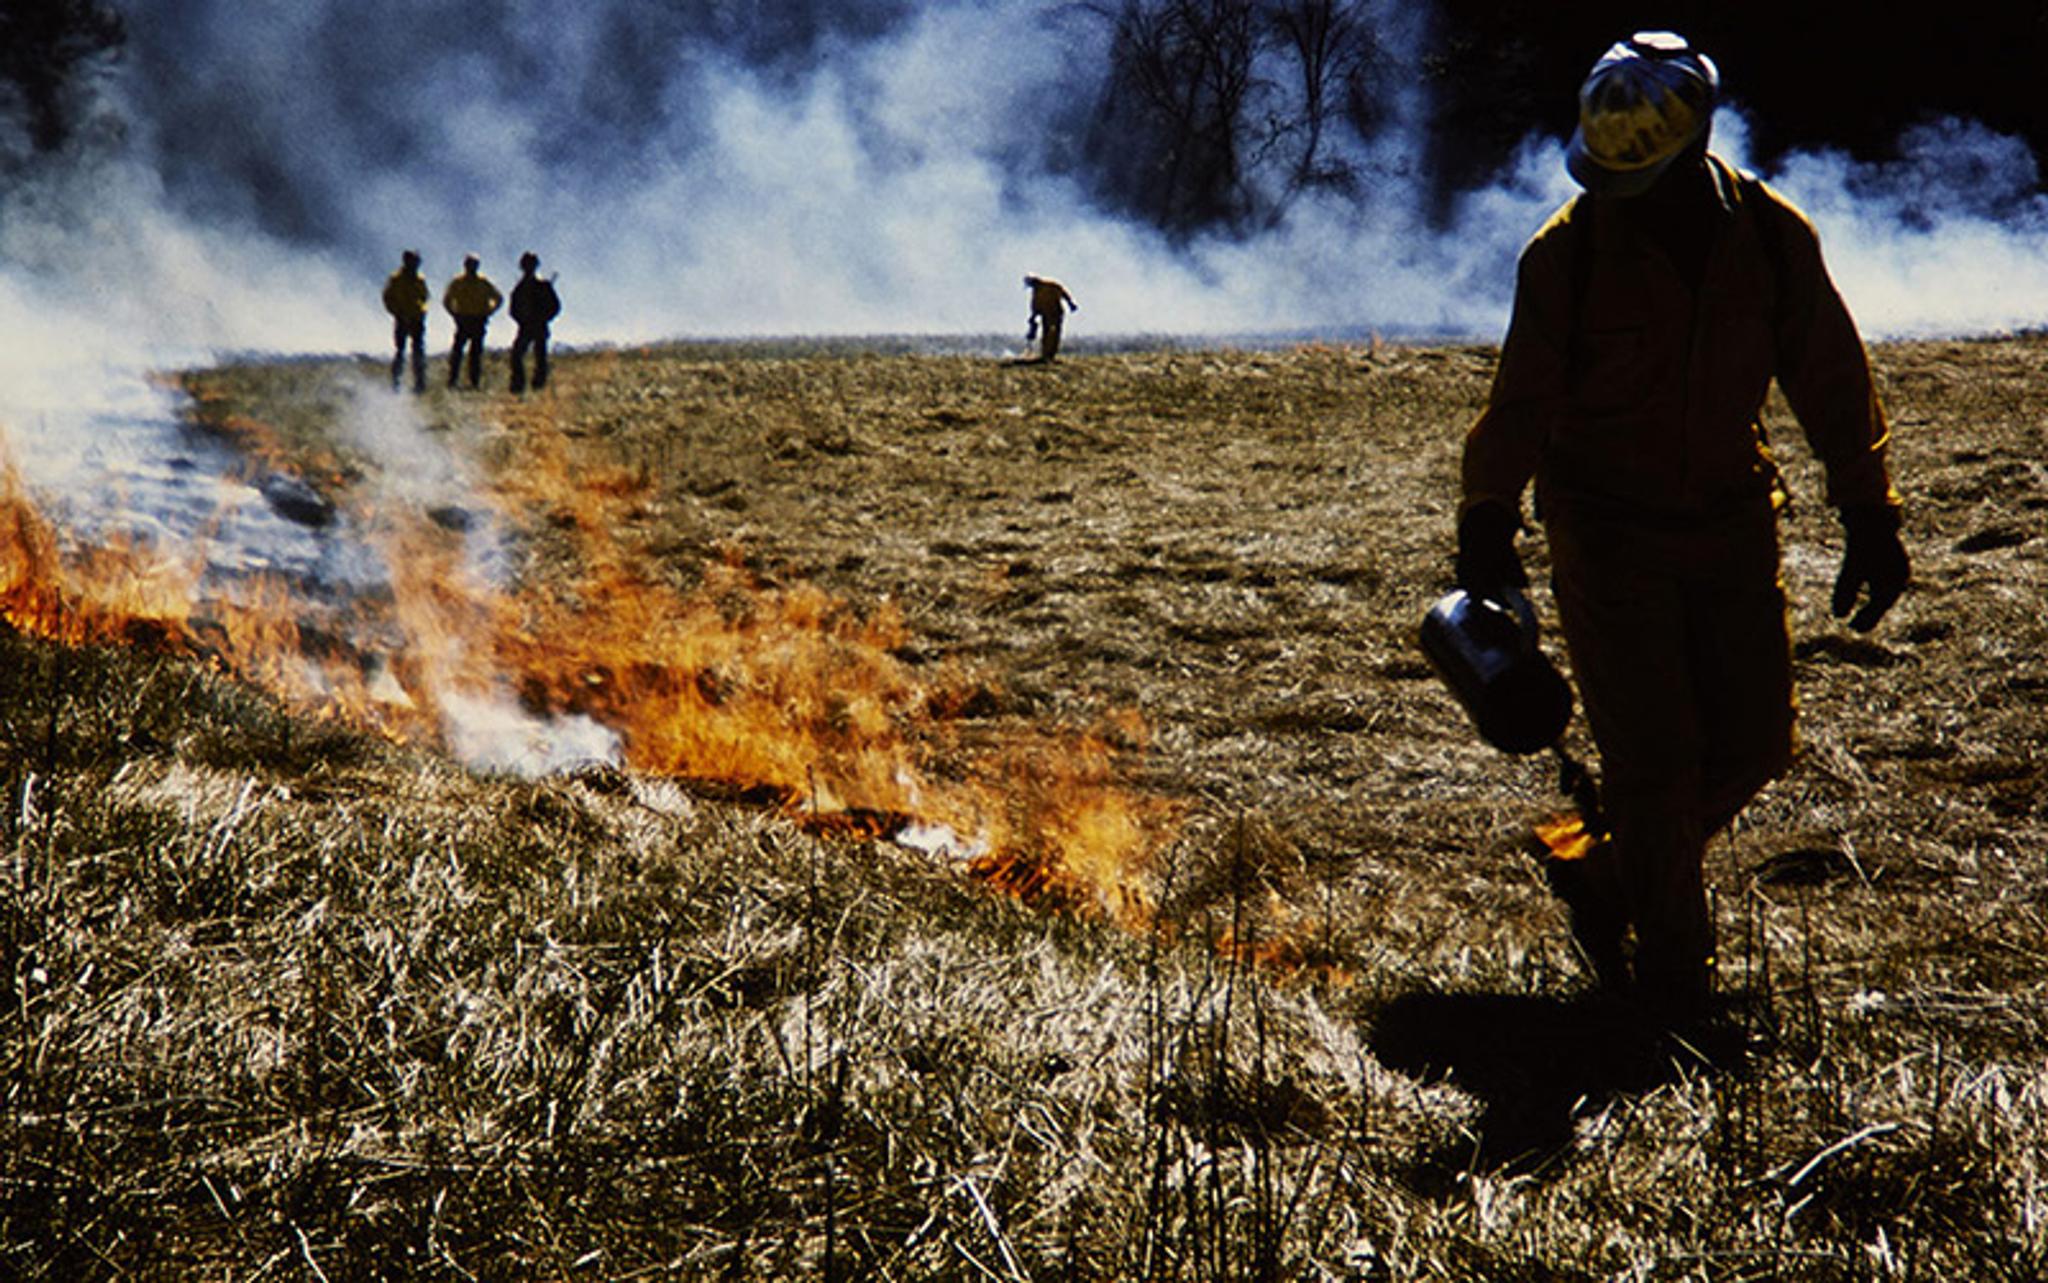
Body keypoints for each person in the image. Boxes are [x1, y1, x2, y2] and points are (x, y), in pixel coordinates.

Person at [1455, 32, 1909, 1024]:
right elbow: (1518, 401)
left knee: (1754, 741)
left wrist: (1868, 508)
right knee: (1654, 761)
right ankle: (1670, 984)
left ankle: (1603, 873)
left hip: (1730, 519)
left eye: (1646, 176)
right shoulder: (1562, 255)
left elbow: (1827, 375)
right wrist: (1485, 516)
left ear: (1697, 140)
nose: (1624, 197)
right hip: (1604, 532)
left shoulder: (1771, 236)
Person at [442, 253, 503, 390]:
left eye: (474, 265)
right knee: (457, 352)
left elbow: (498, 298)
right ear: (465, 266)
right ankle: (453, 381)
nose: (471, 267)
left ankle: (474, 382)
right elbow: (447, 300)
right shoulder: (458, 282)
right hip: (463, 320)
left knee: (475, 354)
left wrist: (489, 311)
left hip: (478, 320)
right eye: (469, 264)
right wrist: (454, 314)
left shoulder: (483, 282)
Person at [507, 251, 561, 394]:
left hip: (539, 326)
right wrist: (521, 320)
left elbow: (555, 307)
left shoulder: (543, 286)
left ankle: (538, 385)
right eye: (526, 265)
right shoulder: (519, 288)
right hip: (525, 326)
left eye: (530, 264)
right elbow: (513, 309)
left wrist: (543, 318)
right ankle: (519, 385)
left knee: (540, 357)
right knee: (517, 355)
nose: (528, 267)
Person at [382, 249, 430, 392]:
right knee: (400, 351)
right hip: (402, 318)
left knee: (418, 350)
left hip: (416, 318)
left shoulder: (420, 279)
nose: (416, 264)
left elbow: (425, 297)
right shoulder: (396, 279)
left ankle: (420, 382)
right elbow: (387, 298)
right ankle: (396, 381)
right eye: (414, 261)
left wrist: (422, 311)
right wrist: (396, 312)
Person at [1023, 274, 1078, 361]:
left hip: (1056, 313)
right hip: (1046, 315)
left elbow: (1064, 294)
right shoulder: (1037, 292)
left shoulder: (1051, 286)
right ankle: (1046, 354)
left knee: (1054, 334)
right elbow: (1036, 306)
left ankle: (1050, 355)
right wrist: (1033, 318)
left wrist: (1071, 303)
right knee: (1047, 334)